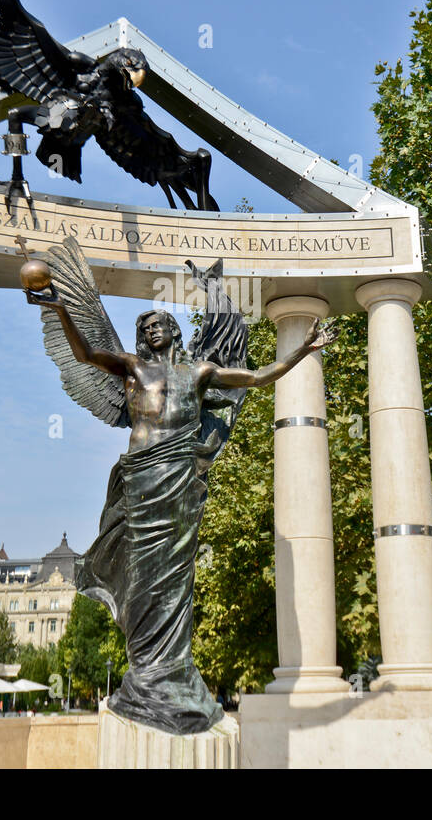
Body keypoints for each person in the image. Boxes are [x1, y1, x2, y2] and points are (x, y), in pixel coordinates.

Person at [33, 299, 334, 733]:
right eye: (147, 327)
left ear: (173, 330)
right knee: (142, 576)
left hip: (180, 478)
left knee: (176, 576)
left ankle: (171, 673)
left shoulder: (199, 373)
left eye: (159, 324)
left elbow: (255, 377)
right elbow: (85, 354)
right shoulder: (133, 367)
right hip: (142, 477)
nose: (153, 330)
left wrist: (302, 351)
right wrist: (62, 309)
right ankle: (145, 676)